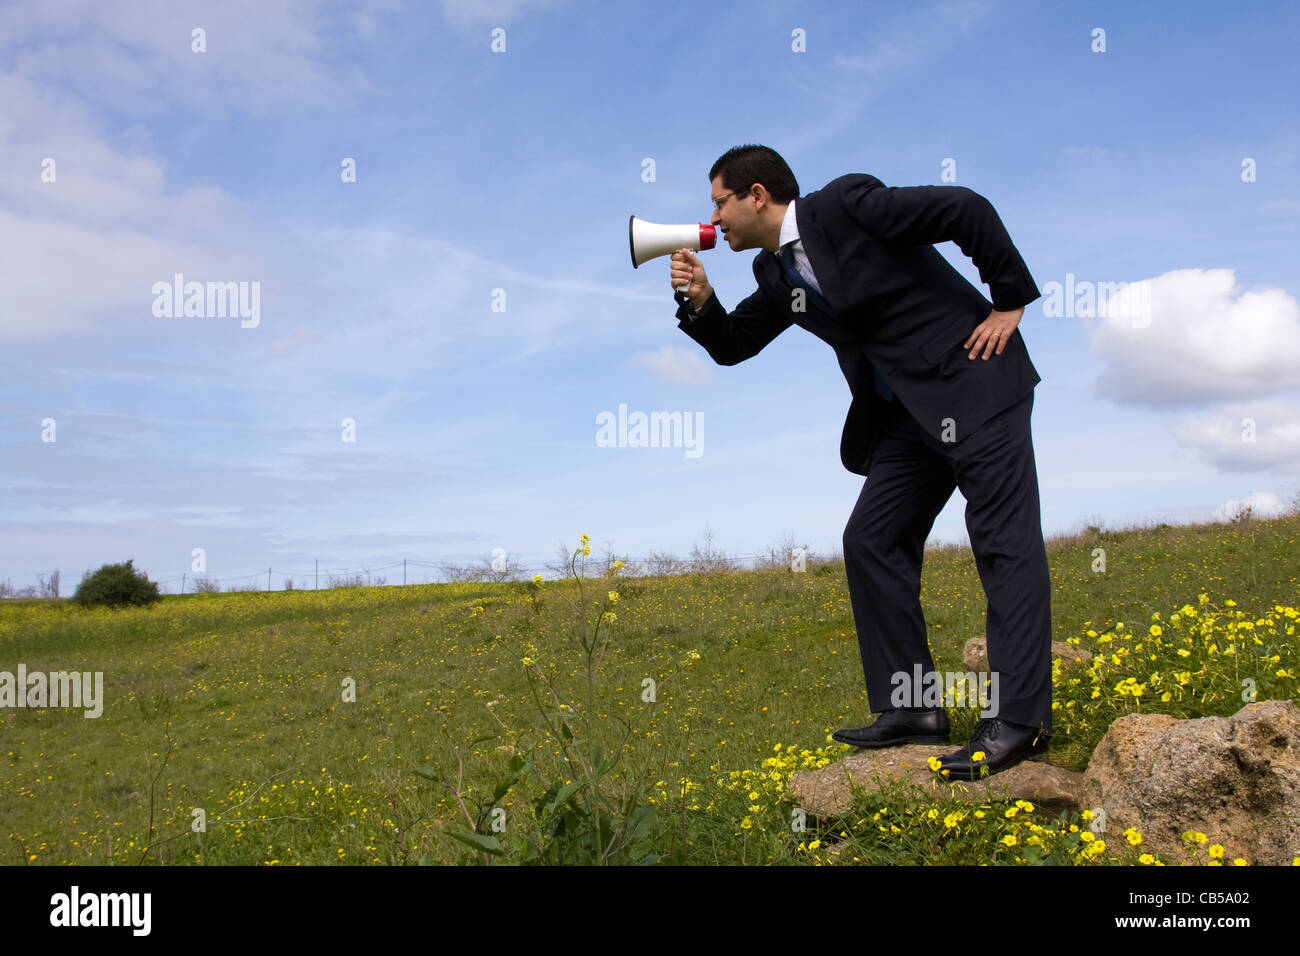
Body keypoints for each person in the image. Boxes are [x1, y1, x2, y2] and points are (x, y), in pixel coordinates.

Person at [668, 144, 1051, 779]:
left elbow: (964, 209)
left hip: (975, 381)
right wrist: (703, 301)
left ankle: (1016, 721)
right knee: (871, 540)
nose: (714, 218)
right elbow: (734, 346)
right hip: (905, 418)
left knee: (1003, 546)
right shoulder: (776, 275)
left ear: (756, 194)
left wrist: (1009, 300)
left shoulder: (847, 206)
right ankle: (914, 708)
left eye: (719, 202)